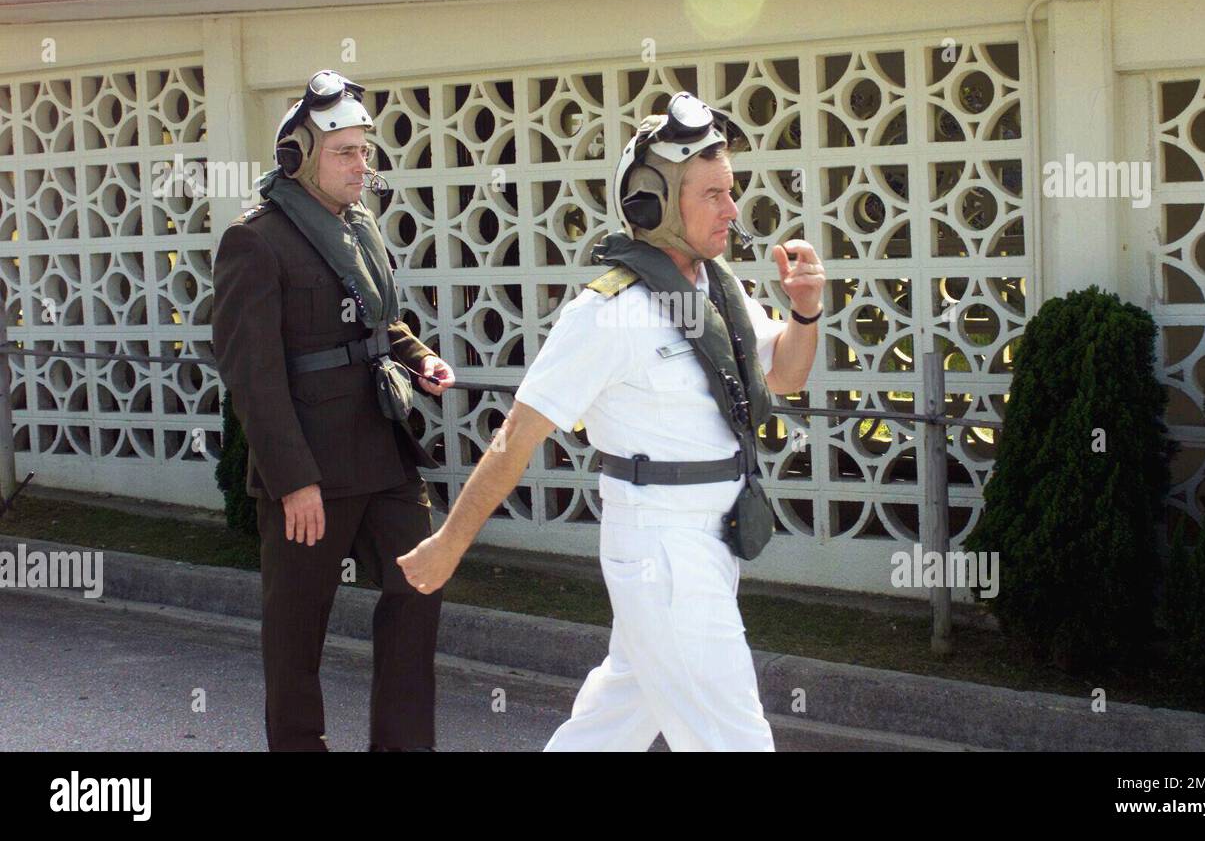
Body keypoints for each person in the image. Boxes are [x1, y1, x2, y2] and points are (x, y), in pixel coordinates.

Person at [398, 92, 825, 751]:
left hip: (707, 542)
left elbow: (785, 376)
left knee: (612, 724)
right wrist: (450, 543)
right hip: (662, 549)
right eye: (713, 194)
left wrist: (805, 311)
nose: (732, 210)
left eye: (731, 192)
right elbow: (515, 438)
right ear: (653, 204)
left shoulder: (718, 291)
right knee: (734, 737)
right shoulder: (605, 315)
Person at [212, 70, 455, 751]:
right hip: (310, 467)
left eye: (363, 151)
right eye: (345, 152)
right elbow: (252, 374)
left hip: (382, 450)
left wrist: (419, 358)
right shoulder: (256, 240)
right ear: (298, 158)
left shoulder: (357, 227)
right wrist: (294, 480)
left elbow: (379, 320)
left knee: (420, 582)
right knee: (296, 629)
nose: (361, 165)